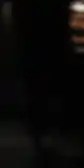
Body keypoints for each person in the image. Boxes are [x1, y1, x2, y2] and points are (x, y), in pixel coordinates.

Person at [8, 0, 73, 155]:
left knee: (36, 79)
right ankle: (48, 132)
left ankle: (41, 132)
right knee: (48, 78)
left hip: (33, 24)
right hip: (47, 25)